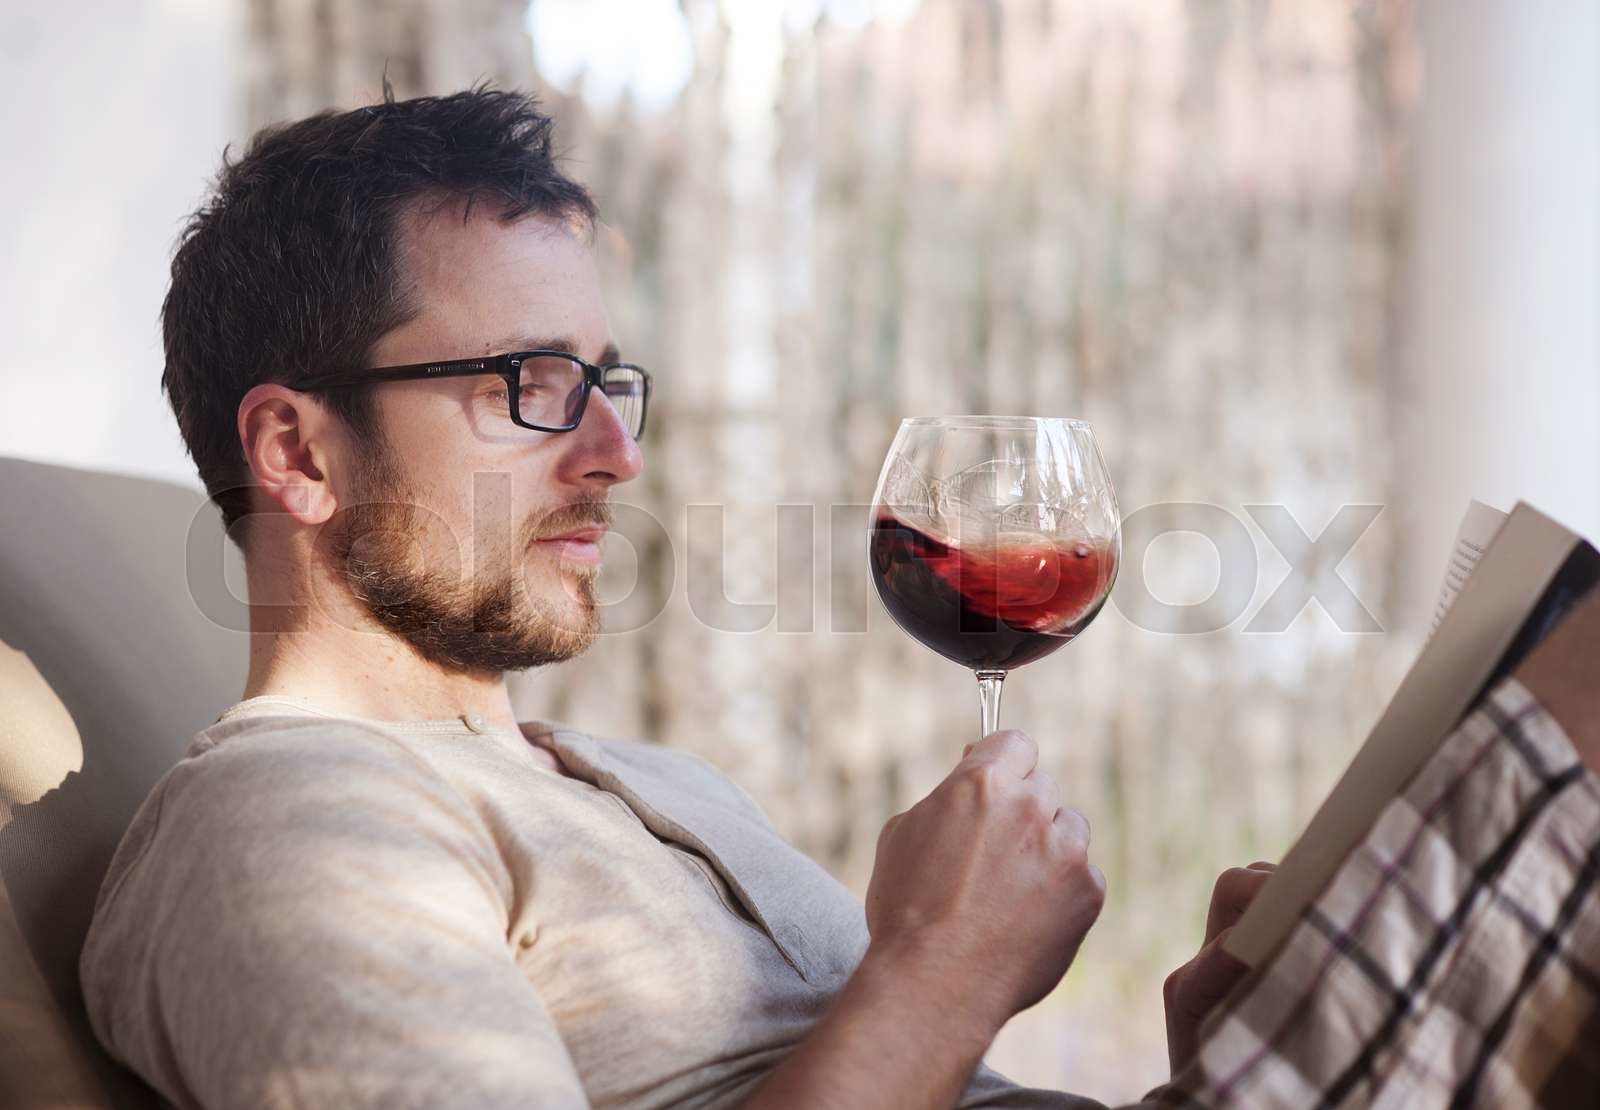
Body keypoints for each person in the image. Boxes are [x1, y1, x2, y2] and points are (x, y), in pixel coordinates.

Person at [75, 84, 1275, 1109]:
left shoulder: (652, 782)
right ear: (296, 453)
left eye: (605, 383)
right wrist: (943, 970)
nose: (614, 452)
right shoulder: (292, 822)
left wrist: (1221, 1055)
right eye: (529, 384)